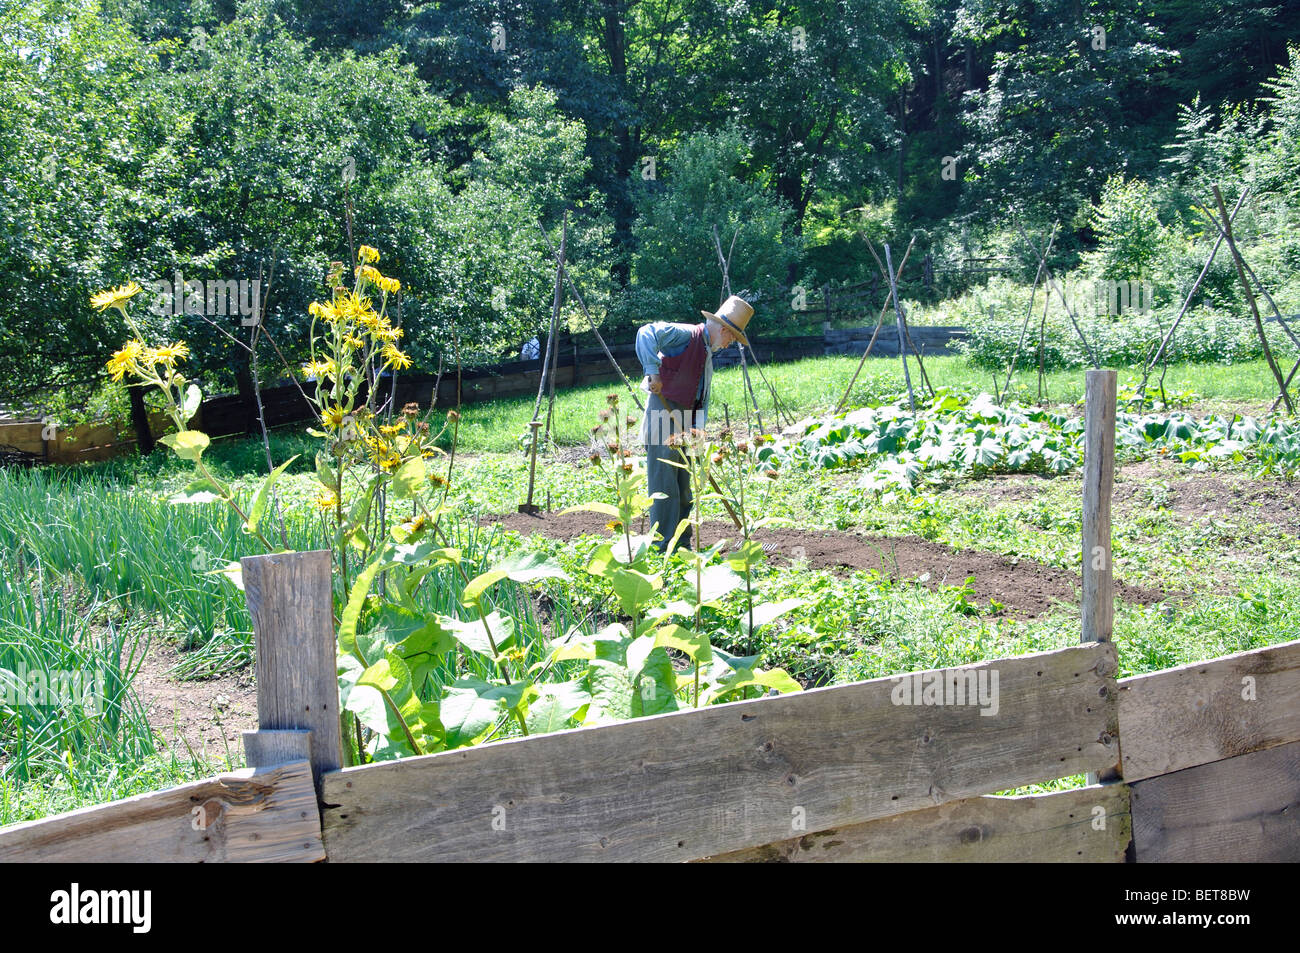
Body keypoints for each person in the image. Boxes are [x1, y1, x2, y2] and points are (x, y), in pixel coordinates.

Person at [635, 294, 754, 550]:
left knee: (683, 485)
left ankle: (682, 543)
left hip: (685, 422)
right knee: (664, 485)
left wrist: (697, 437)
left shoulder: (707, 353)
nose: (729, 343)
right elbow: (646, 333)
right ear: (723, 330)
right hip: (662, 416)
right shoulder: (685, 335)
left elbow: (701, 397)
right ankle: (663, 546)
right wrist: (652, 371)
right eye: (732, 337)